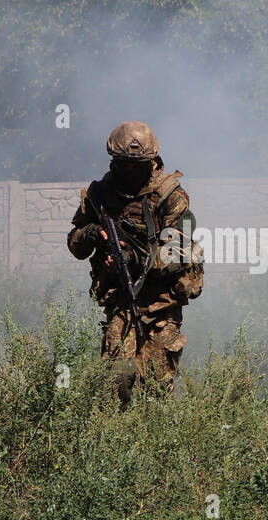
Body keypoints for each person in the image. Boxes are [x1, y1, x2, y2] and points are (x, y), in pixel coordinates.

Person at [67, 121, 203, 404]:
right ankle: (116, 438)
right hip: (120, 302)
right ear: (113, 161)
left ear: (151, 162)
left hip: (161, 304)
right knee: (116, 380)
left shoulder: (170, 195)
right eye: (124, 164)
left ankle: (155, 444)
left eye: (137, 165)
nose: (130, 171)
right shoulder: (99, 195)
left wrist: (134, 258)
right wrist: (91, 233)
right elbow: (75, 245)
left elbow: (179, 251)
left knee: (156, 388)